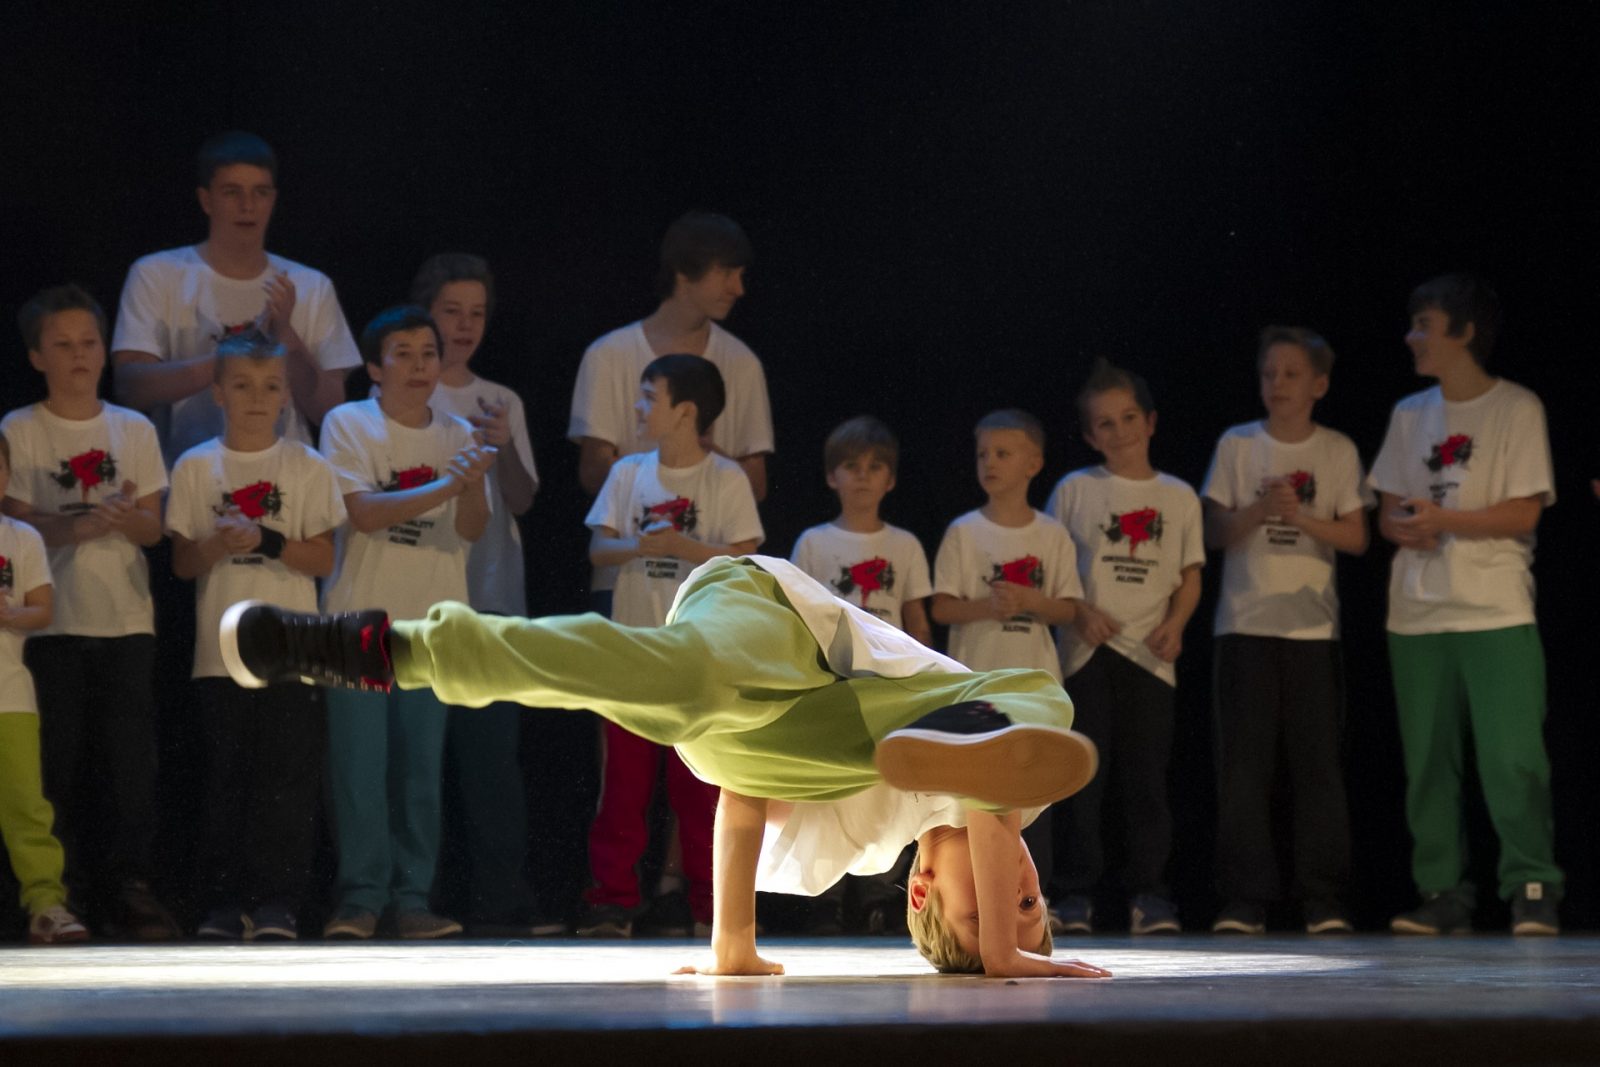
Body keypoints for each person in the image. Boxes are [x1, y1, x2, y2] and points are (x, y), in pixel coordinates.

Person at [217, 553, 1108, 979]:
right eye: (1032, 897)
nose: (1019, 882)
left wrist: (734, 947)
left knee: (651, 695)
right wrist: (1005, 953)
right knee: (1043, 710)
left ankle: (377, 656)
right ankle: (389, 646)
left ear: (920, 892)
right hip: (779, 623)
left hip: (762, 741)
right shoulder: (1009, 790)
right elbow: (996, 815)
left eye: (1001, 902)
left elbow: (744, 803)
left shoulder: (858, 850)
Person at [1369, 275, 1561, 936]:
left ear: (1464, 331)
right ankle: (1444, 889)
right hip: (1417, 611)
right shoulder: (1408, 413)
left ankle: (1532, 882)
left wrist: (1444, 518)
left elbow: (1525, 509)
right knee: (1427, 761)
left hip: (1495, 607)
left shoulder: (1517, 408)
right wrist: (1405, 524)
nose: (1412, 336)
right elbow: (1388, 508)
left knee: (1513, 757)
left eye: (1424, 324)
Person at [316, 305, 496, 940]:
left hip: (430, 624)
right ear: (374, 365)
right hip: (357, 622)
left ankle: (412, 898)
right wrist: (450, 484)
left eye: (429, 354)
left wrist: (471, 481)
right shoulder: (349, 423)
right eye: (404, 354)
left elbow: (472, 527)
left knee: (419, 768)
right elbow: (362, 513)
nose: (420, 367)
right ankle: (361, 898)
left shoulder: (458, 433)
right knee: (359, 767)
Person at [2, 285, 176, 940]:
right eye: (63, 345)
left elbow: (154, 529)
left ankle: (130, 889)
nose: (79, 355)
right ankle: (57, 896)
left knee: (131, 767)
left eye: (90, 343)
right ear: (36, 355)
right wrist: (74, 526)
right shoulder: (19, 429)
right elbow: (11, 517)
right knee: (55, 767)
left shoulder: (131, 429)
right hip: (48, 625)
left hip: (124, 619)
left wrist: (125, 518)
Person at [166, 329, 345, 941]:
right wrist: (219, 542)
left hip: (292, 652)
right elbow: (183, 563)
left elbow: (323, 558)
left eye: (270, 387)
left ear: (286, 395)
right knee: (225, 781)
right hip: (218, 656)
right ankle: (223, 904)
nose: (256, 398)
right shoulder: (195, 467)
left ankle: (278, 905)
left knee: (287, 785)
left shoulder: (306, 465)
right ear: (218, 392)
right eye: (242, 385)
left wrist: (265, 539)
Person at [577, 355, 763, 938]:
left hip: (698, 657)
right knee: (624, 788)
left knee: (700, 788)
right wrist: (639, 544)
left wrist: (682, 545)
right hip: (634, 653)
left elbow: (745, 558)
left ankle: (712, 906)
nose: (637, 409)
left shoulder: (724, 478)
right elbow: (598, 551)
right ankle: (613, 900)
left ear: (685, 412)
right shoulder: (629, 471)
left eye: (647, 398)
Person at [405, 254, 555, 936]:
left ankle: (505, 897)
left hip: (493, 595)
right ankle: (414, 899)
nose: (464, 326)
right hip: (418, 595)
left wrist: (503, 446)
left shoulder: (502, 400)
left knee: (491, 757)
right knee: (417, 757)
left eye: (476, 313)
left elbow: (522, 498)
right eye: (450, 311)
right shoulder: (405, 393)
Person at [1202, 327, 1368, 935]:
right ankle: (1245, 899)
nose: (1278, 385)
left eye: (1291, 374)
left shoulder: (1336, 450)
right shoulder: (1238, 444)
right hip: (1244, 627)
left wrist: (1303, 517)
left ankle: (1323, 897)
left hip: (1312, 632)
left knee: (1317, 767)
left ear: (1318, 385)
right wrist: (1259, 512)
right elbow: (1214, 532)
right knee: (1244, 769)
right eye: (1270, 373)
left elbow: (1357, 536)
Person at [1048, 358, 1204, 935]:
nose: (1119, 431)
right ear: (1090, 434)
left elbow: (1190, 573)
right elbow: (1057, 564)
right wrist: (1080, 612)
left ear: (1151, 421)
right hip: (1088, 651)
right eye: (1105, 423)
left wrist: (1178, 623)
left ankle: (1150, 894)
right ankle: (1074, 896)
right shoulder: (1075, 490)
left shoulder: (1178, 496)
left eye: (1129, 418)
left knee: (1146, 779)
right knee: (1082, 778)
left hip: (1149, 655)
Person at [111, 131, 360, 466]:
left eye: (260, 193)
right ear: (206, 200)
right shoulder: (158, 274)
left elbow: (329, 410)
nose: (248, 206)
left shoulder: (311, 285)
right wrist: (241, 354)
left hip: (288, 483)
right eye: (232, 192)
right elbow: (131, 388)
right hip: (189, 479)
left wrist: (284, 333)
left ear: (273, 199)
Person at [569, 211, 773, 612]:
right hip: (627, 586)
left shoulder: (741, 362)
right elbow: (593, 471)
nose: (738, 288)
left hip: (708, 592)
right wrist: (662, 459)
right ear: (684, 271)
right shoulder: (608, 356)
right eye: (726, 273)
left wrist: (697, 454)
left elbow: (756, 484)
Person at [931, 409, 1081, 930]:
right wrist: (987, 607)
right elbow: (941, 608)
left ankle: (1031, 901)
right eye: (982, 454)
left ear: (1034, 462)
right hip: (976, 681)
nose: (989, 463)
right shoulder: (964, 532)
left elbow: (1068, 609)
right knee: (974, 794)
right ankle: (968, 901)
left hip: (1035, 684)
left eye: (1002, 453)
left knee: (1033, 798)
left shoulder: (1052, 534)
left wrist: (1030, 600)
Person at [789, 415, 933, 933]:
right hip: (831, 683)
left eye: (875, 468)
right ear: (832, 476)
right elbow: (797, 618)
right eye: (851, 467)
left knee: (883, 789)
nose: (863, 477)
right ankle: (826, 898)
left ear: (890, 479)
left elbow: (917, 622)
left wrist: (923, 683)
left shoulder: (905, 546)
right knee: (828, 786)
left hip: (889, 684)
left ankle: (879, 897)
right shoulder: (812, 543)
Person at [0, 430, 90, 945]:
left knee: (26, 806)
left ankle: (45, 902)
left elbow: (43, 609)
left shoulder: (21, 536)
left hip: (11, 696)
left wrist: (11, 613)